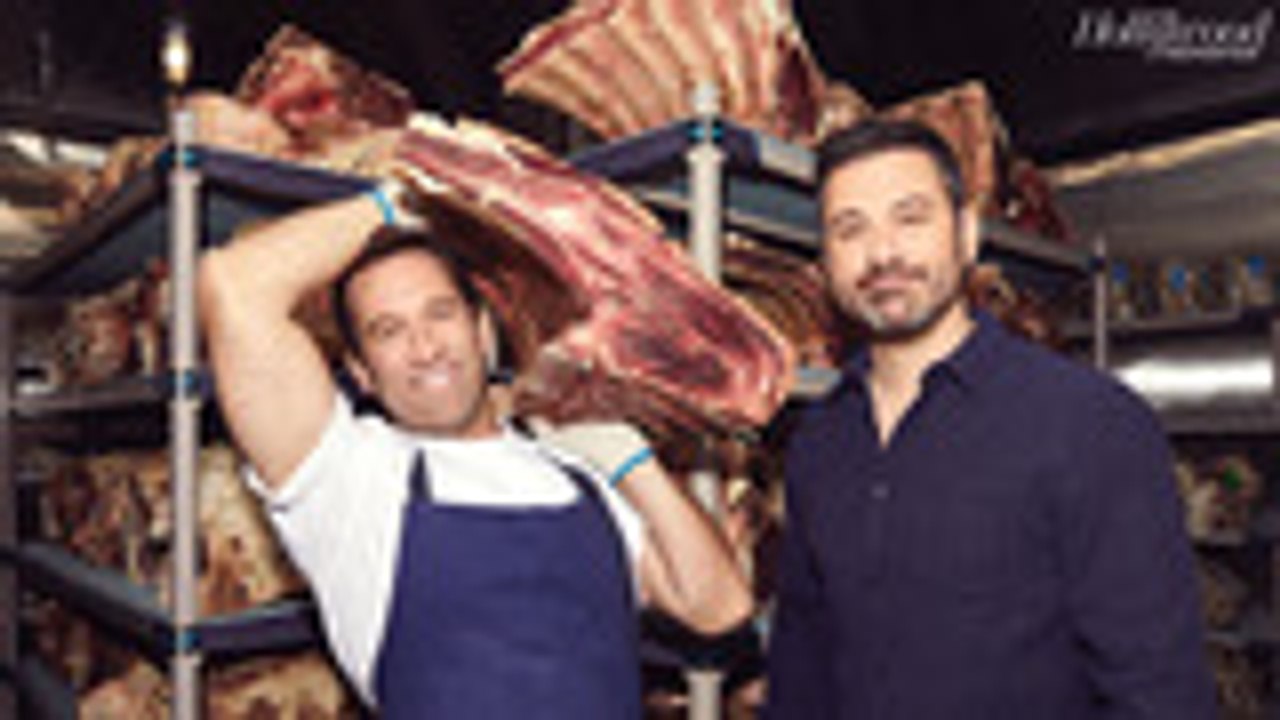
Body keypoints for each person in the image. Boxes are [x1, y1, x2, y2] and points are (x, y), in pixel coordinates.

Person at [198, 185, 752, 719]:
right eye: (389, 331)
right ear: (362, 373)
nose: (424, 347)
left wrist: (634, 463)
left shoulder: (576, 471)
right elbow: (233, 283)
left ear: (483, 333)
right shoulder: (347, 479)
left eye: (440, 313)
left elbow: (718, 607)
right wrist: (415, 192)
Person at [764, 119, 1216, 719]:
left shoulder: (1088, 422)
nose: (882, 253)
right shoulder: (819, 440)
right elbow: (802, 666)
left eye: (910, 218)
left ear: (967, 235)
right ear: (825, 262)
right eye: (851, 229)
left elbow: (1161, 691)